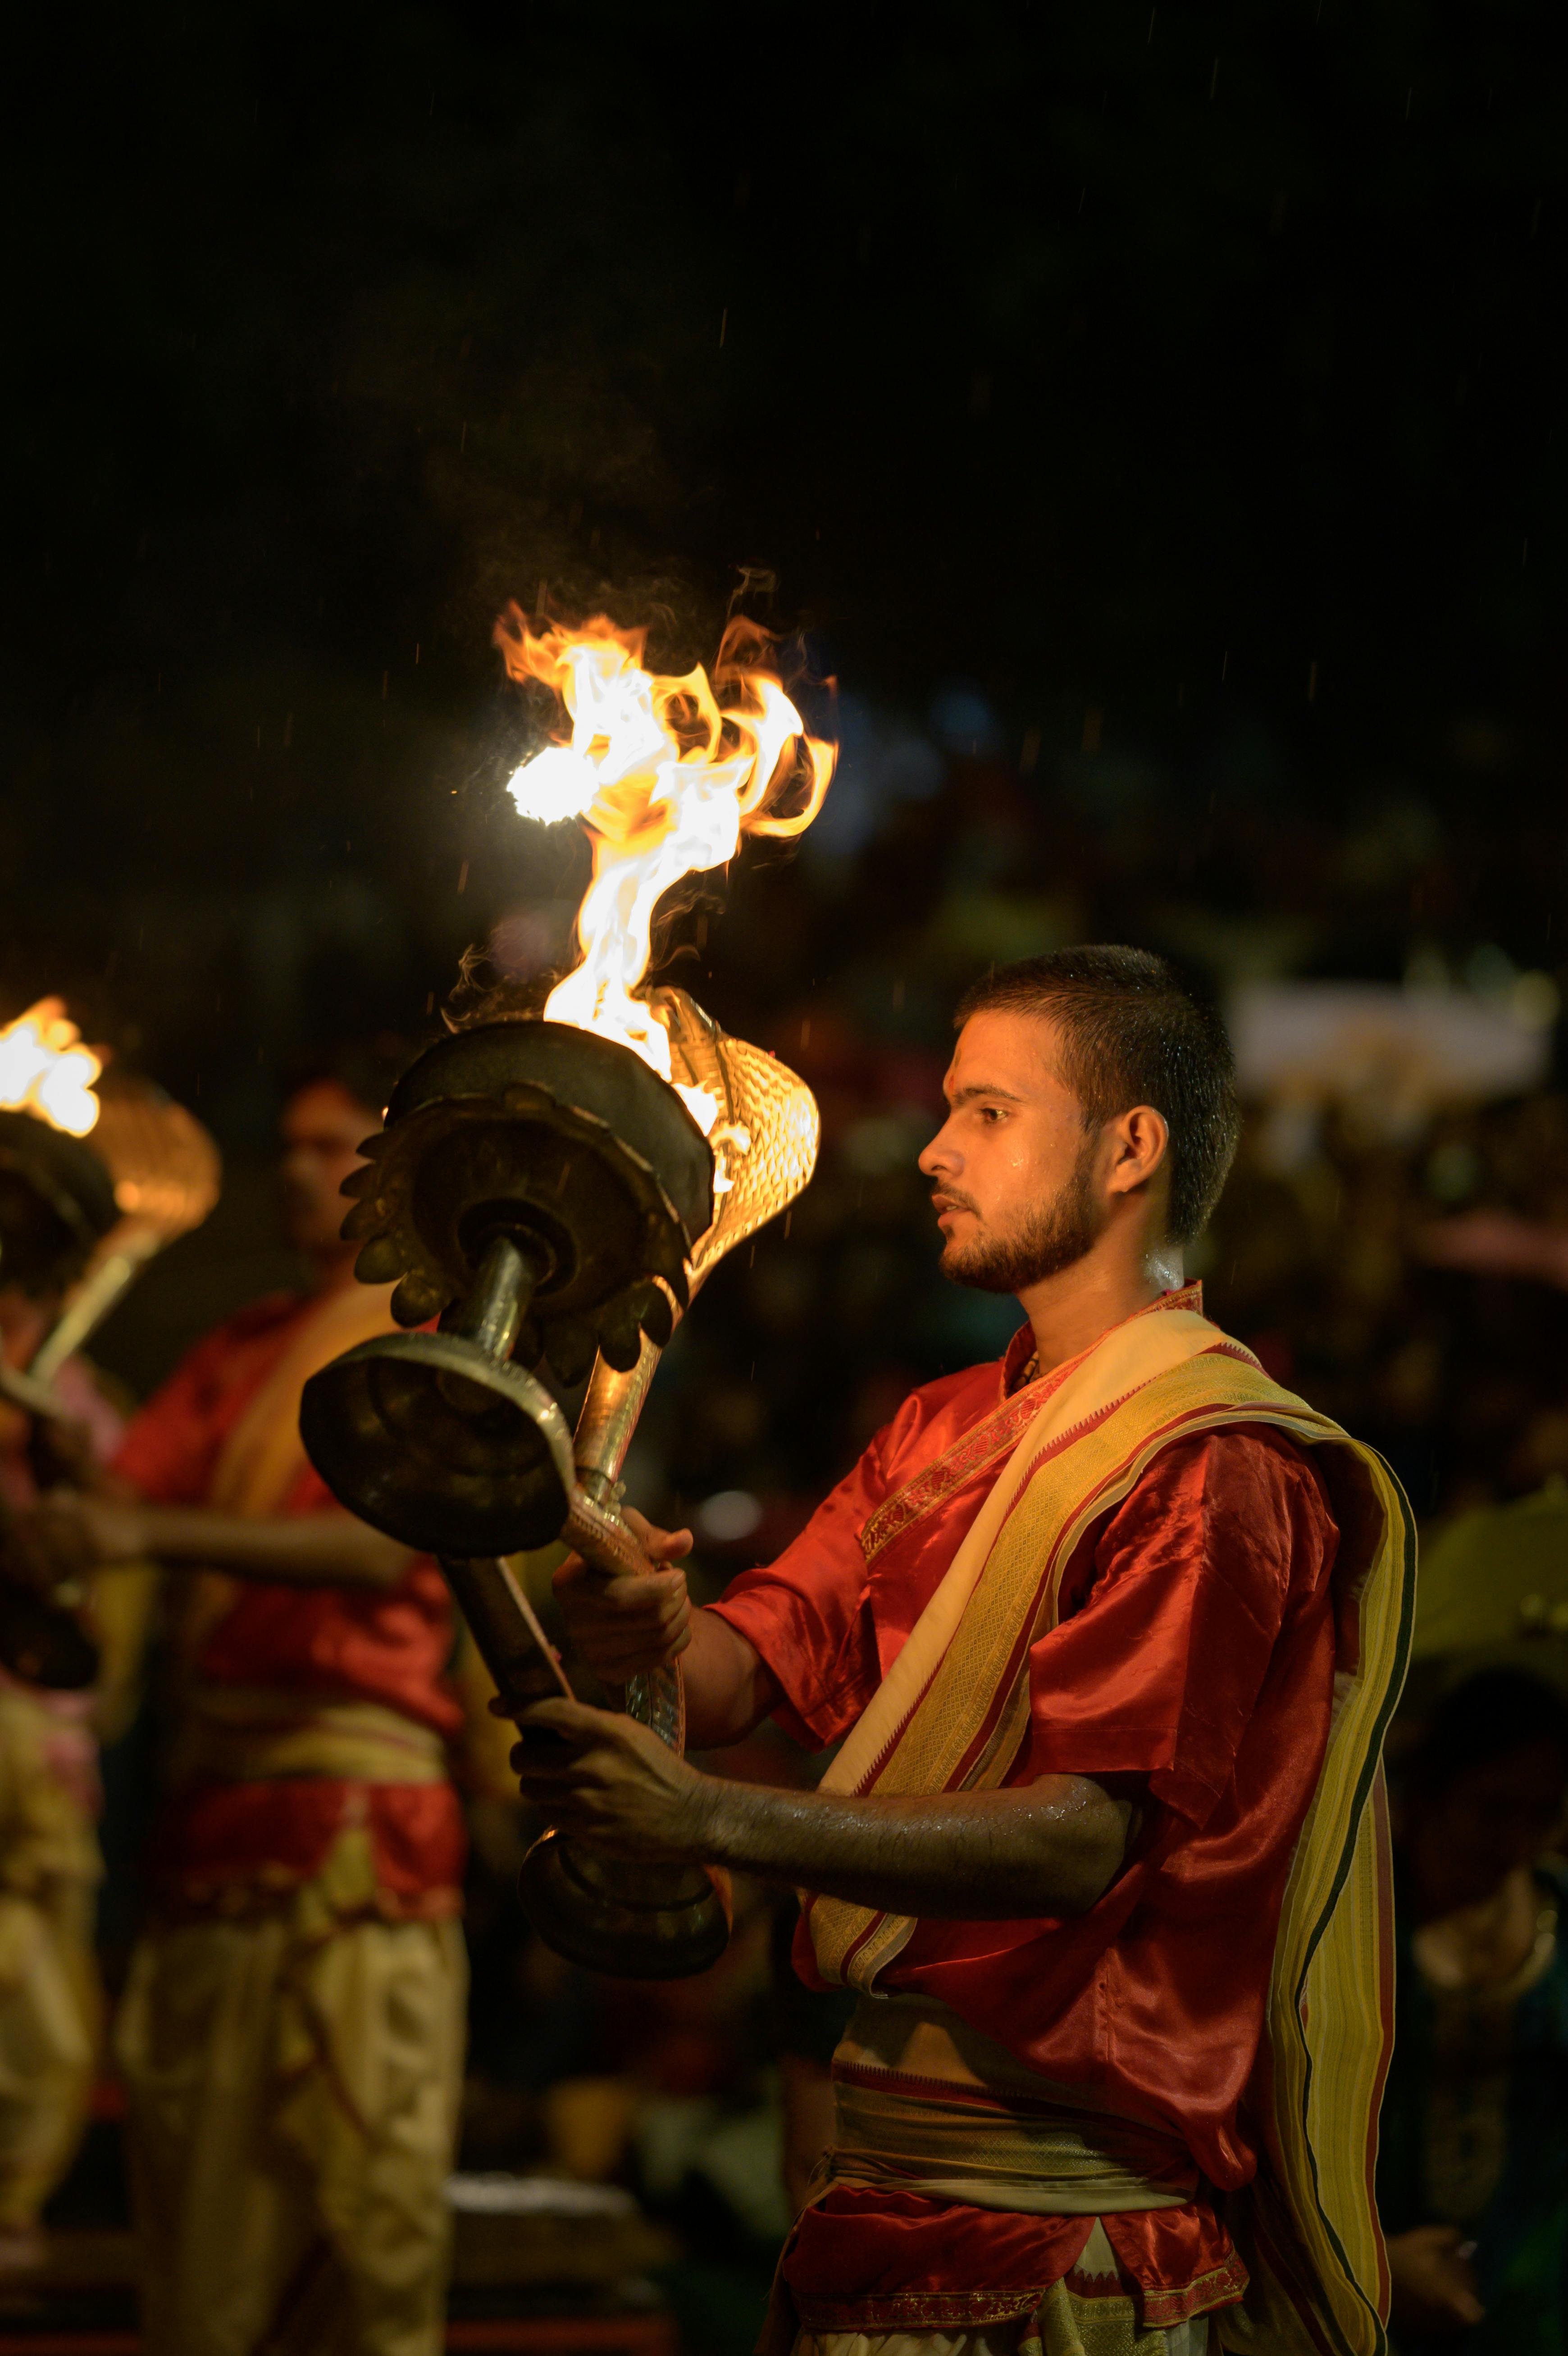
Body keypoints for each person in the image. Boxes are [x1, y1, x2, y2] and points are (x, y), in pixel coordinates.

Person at [509, 947, 1414, 2356]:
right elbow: (744, 1668)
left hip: (1055, 2234)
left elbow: (1078, 1841)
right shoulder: (937, 1422)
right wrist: (643, 1627)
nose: (934, 1149)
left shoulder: (1211, 1460)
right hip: (874, 2181)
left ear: (1130, 1149)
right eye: (947, 1107)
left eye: (988, 1110)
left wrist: (707, 1818)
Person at [17, 1061, 508, 2356]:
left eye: (333, 1146)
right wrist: (65, 1460)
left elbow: (373, 1553)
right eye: (288, 1147)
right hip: (213, 1824)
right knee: (203, 2242)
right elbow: (123, 1493)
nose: (301, 1170)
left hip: (361, 1835)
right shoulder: (235, 1351)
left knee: (369, 2222)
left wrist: (128, 1521)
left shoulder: (440, 1357)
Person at [0, 1109, 125, 2267]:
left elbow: (100, 1572)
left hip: (32, 1739)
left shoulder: (74, 1388)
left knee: (39, 2013)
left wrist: (75, 1486)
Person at [1378, 1667, 1568, 2353]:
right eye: (1492, 1809)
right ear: (1433, 1794)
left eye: (1541, 1814)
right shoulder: (1359, 1923)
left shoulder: (1560, 1916)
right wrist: (1372, 2260)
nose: (1516, 1841)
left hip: (1536, 2303)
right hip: (1372, 2289)